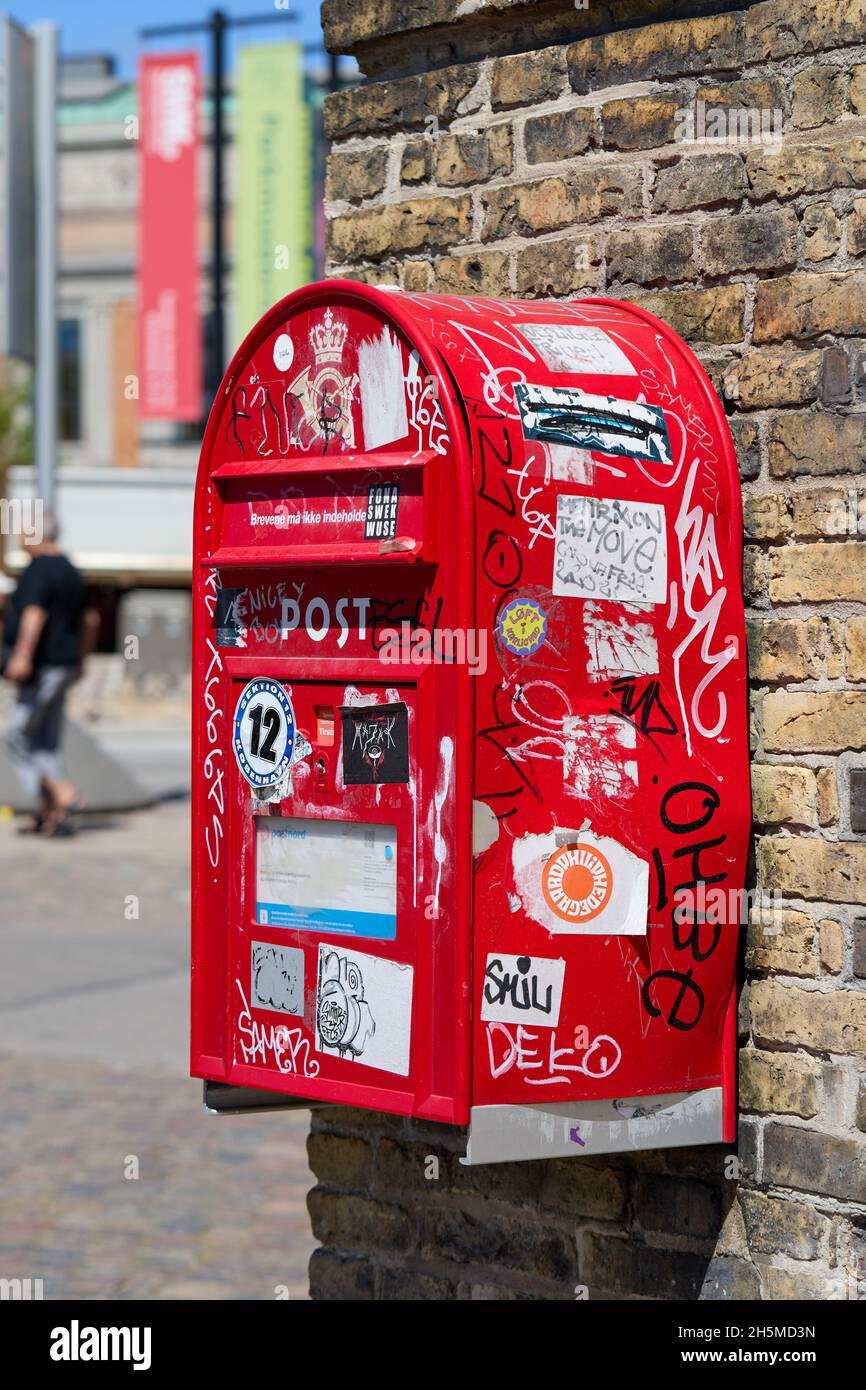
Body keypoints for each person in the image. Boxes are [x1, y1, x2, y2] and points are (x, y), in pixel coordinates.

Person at [2, 512, 98, 834]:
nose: (17, 537)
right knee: (45, 741)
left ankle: (62, 792)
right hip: (66, 665)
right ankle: (53, 816)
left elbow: (34, 613)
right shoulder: (70, 569)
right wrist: (82, 660)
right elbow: (90, 620)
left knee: (17, 735)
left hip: (42, 666)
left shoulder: (39, 569)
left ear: (33, 534)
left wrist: (22, 654)